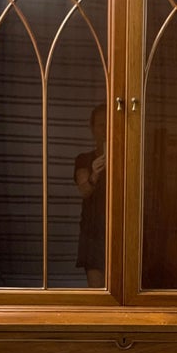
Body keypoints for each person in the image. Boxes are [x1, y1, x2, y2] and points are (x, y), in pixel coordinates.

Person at [74, 103, 107, 287]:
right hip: (93, 233)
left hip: (119, 231)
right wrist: (95, 174)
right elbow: (84, 190)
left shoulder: (126, 157)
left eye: (109, 124)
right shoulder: (84, 159)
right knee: (98, 293)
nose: (105, 130)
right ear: (92, 129)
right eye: (101, 125)